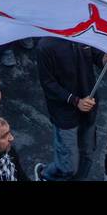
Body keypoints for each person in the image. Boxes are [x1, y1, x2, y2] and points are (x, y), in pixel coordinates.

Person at [34, 37, 99, 181]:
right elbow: (48, 84)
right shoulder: (45, 46)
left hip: (89, 109)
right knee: (68, 166)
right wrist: (76, 101)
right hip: (65, 115)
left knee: (87, 156)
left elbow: (97, 55)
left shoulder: (84, 33)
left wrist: (105, 59)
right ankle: (45, 174)